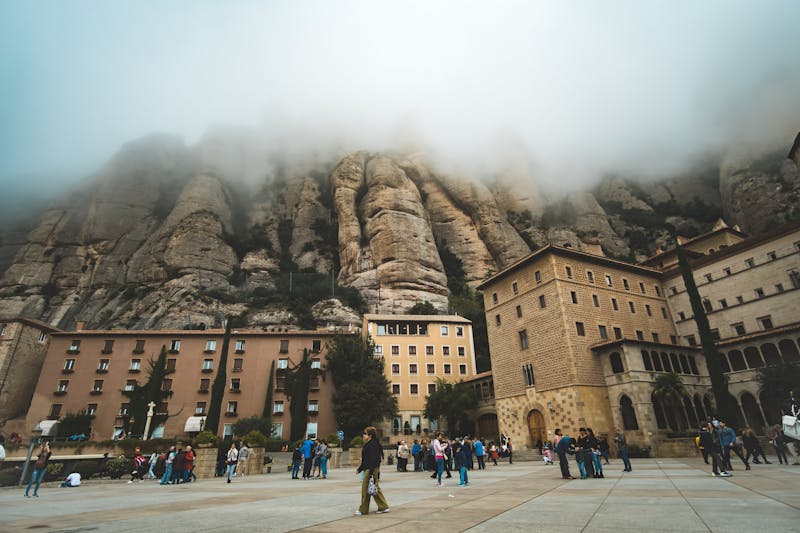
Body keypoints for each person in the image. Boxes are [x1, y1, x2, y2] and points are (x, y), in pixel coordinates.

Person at [355, 426, 390, 515]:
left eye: (365, 434)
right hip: (370, 469)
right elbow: (366, 459)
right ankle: (383, 506)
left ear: (370, 435)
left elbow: (374, 459)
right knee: (373, 488)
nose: (363, 435)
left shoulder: (372, 445)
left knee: (366, 488)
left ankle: (363, 509)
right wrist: (360, 469)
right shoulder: (370, 444)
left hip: (371, 469)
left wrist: (370, 471)